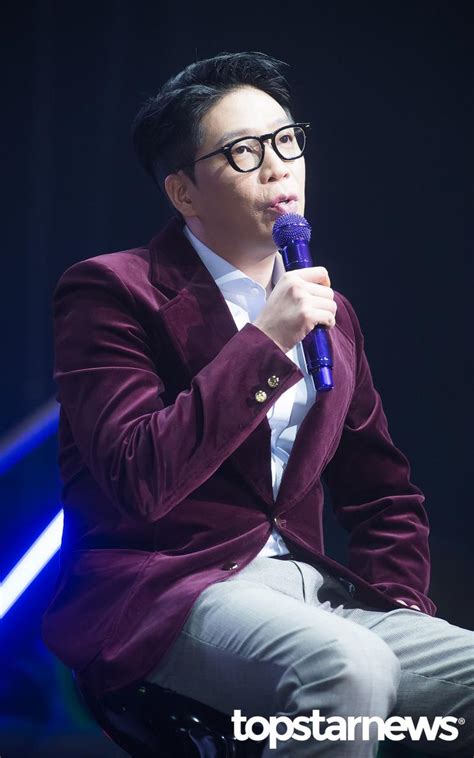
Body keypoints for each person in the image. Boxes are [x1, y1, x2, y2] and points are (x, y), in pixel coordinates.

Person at [42, 52, 473, 756]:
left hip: (316, 590)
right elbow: (139, 475)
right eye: (244, 151)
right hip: (168, 589)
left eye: (287, 140)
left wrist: (398, 607)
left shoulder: (330, 310)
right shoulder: (110, 291)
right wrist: (266, 341)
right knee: (348, 667)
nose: (278, 167)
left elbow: (384, 494)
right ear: (183, 193)